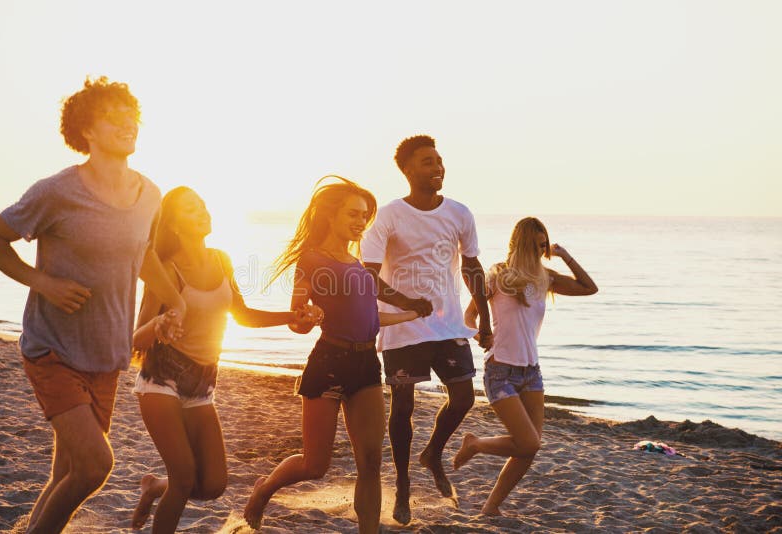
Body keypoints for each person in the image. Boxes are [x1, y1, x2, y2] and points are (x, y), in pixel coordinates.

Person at [0, 77, 185, 534]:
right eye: (113, 116)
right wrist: (43, 282)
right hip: (52, 348)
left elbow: (141, 254)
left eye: (131, 114)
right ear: (86, 130)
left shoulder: (150, 194)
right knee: (95, 465)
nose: (127, 123)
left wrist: (175, 302)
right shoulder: (55, 191)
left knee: (69, 469)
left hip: (106, 354)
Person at [129, 186, 322, 533]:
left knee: (213, 485)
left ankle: (155, 487)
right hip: (161, 381)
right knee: (184, 477)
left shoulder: (221, 259)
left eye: (202, 205)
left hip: (202, 385)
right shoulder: (167, 270)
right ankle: (166, 490)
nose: (202, 212)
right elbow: (135, 340)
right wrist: (158, 326)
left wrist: (290, 317)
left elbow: (242, 314)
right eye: (190, 209)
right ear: (173, 224)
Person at [243, 176, 420, 534]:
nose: (360, 221)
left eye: (365, 215)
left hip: (366, 365)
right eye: (353, 214)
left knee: (370, 463)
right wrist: (307, 317)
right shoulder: (311, 260)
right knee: (315, 466)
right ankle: (264, 489)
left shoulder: (358, 263)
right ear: (331, 216)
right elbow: (298, 318)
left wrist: (410, 314)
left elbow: (369, 317)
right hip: (329, 363)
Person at [361, 134, 494, 524]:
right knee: (403, 406)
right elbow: (367, 275)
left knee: (464, 398)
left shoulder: (459, 213)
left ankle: (432, 452)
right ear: (407, 170)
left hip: (448, 325)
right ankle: (403, 485)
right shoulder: (389, 216)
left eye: (439, 160)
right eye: (427, 162)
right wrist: (406, 303)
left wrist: (485, 320)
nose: (437, 168)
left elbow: (472, 267)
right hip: (404, 329)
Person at [454, 216, 598, 515]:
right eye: (535, 245)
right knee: (529, 443)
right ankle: (475, 444)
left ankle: (491, 507)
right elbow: (468, 316)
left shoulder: (547, 277)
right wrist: (479, 334)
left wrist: (565, 255)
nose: (540, 250)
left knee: (528, 448)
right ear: (520, 244)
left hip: (532, 373)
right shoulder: (497, 276)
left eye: (543, 245)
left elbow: (589, 288)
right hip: (500, 371)